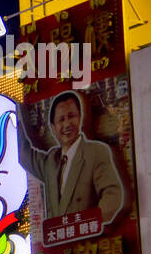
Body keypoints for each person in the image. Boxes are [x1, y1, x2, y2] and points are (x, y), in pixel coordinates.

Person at [21, 90, 124, 224]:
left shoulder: (96, 151)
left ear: (80, 118)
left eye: (71, 116)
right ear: (53, 127)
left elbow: (113, 194)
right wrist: (18, 113)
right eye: (61, 119)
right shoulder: (51, 161)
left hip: (88, 240)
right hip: (58, 240)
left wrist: (90, 225)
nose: (67, 124)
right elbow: (24, 155)